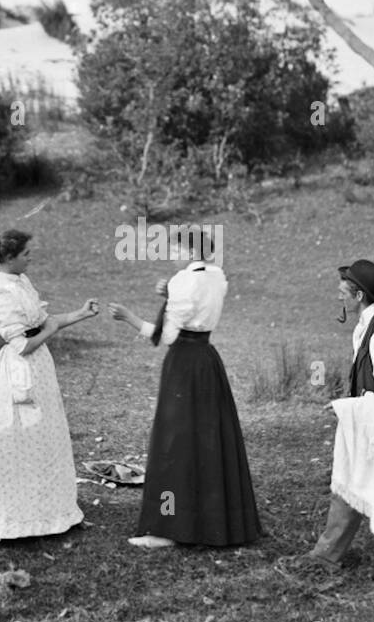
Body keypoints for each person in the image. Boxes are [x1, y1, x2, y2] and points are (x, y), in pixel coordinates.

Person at [108, 229, 262, 549]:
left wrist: (129, 317)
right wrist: (170, 296)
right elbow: (197, 301)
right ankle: (216, 521)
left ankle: (167, 525)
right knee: (208, 441)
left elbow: (164, 337)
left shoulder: (181, 281)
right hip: (207, 360)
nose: (171, 253)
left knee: (173, 444)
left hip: (182, 364)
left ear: (185, 250)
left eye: (174, 248)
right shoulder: (218, 277)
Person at [0, 230, 97, 542]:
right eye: (26, 254)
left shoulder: (23, 284)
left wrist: (80, 314)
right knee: (15, 436)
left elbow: (45, 321)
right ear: (9, 258)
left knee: (45, 435)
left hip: (41, 367)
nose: (31, 258)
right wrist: (50, 328)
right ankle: (14, 515)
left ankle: (47, 509)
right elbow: (22, 345)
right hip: (19, 371)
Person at [298, 260, 374, 601]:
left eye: (343, 291)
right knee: (348, 480)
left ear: (359, 295)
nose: (338, 296)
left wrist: (348, 406)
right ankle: (328, 553)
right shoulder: (363, 327)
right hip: (366, 420)